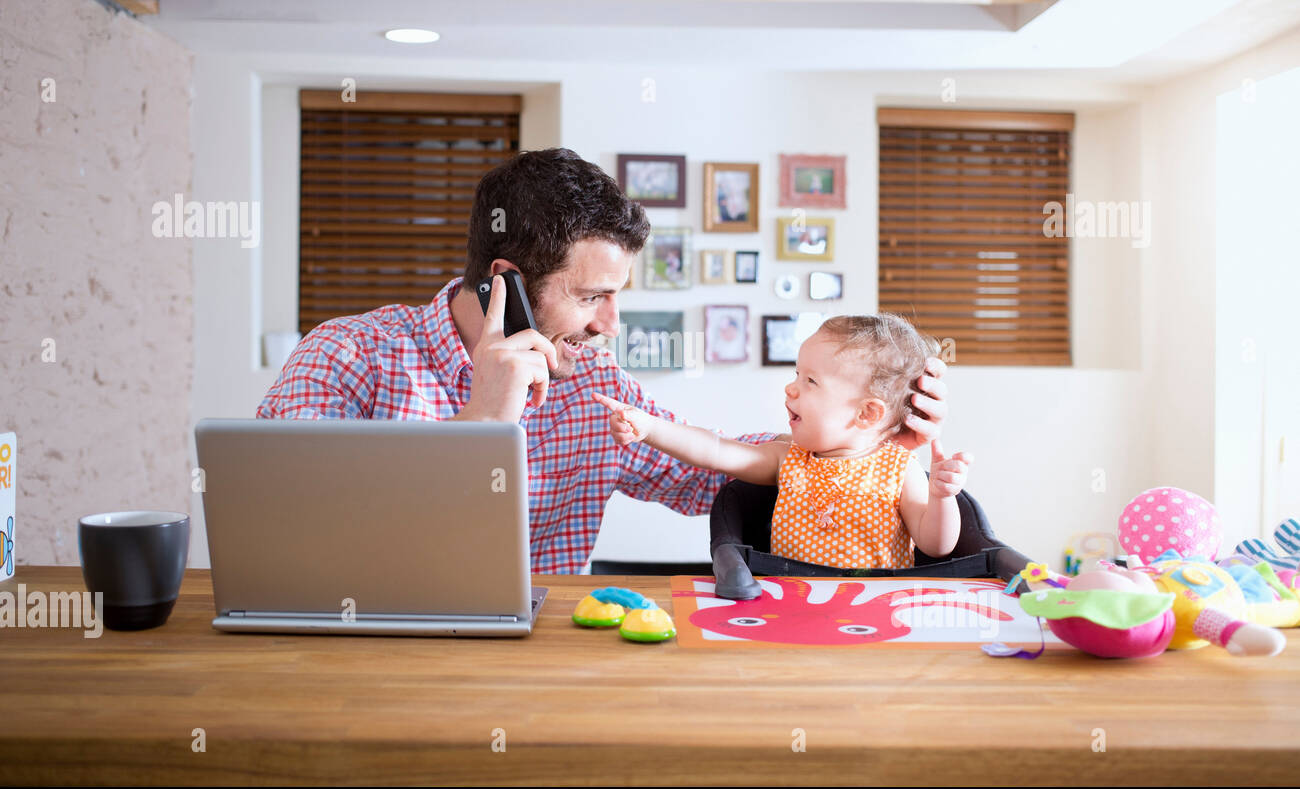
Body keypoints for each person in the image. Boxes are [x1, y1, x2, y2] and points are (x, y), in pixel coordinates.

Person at [258, 148, 950, 574]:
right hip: (350, 659)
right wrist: (478, 423)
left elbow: (720, 476)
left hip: (534, 671)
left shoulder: (592, 387)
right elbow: (277, 529)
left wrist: (870, 439)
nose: (609, 325)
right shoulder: (348, 355)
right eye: (592, 296)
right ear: (506, 283)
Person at [594, 313, 971, 571]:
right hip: (788, 610)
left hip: (873, 615)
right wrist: (649, 428)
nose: (791, 387)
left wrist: (941, 496)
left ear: (867, 414)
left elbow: (936, 545)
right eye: (797, 373)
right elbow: (714, 450)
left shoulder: (899, 468)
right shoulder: (787, 458)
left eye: (811, 381)